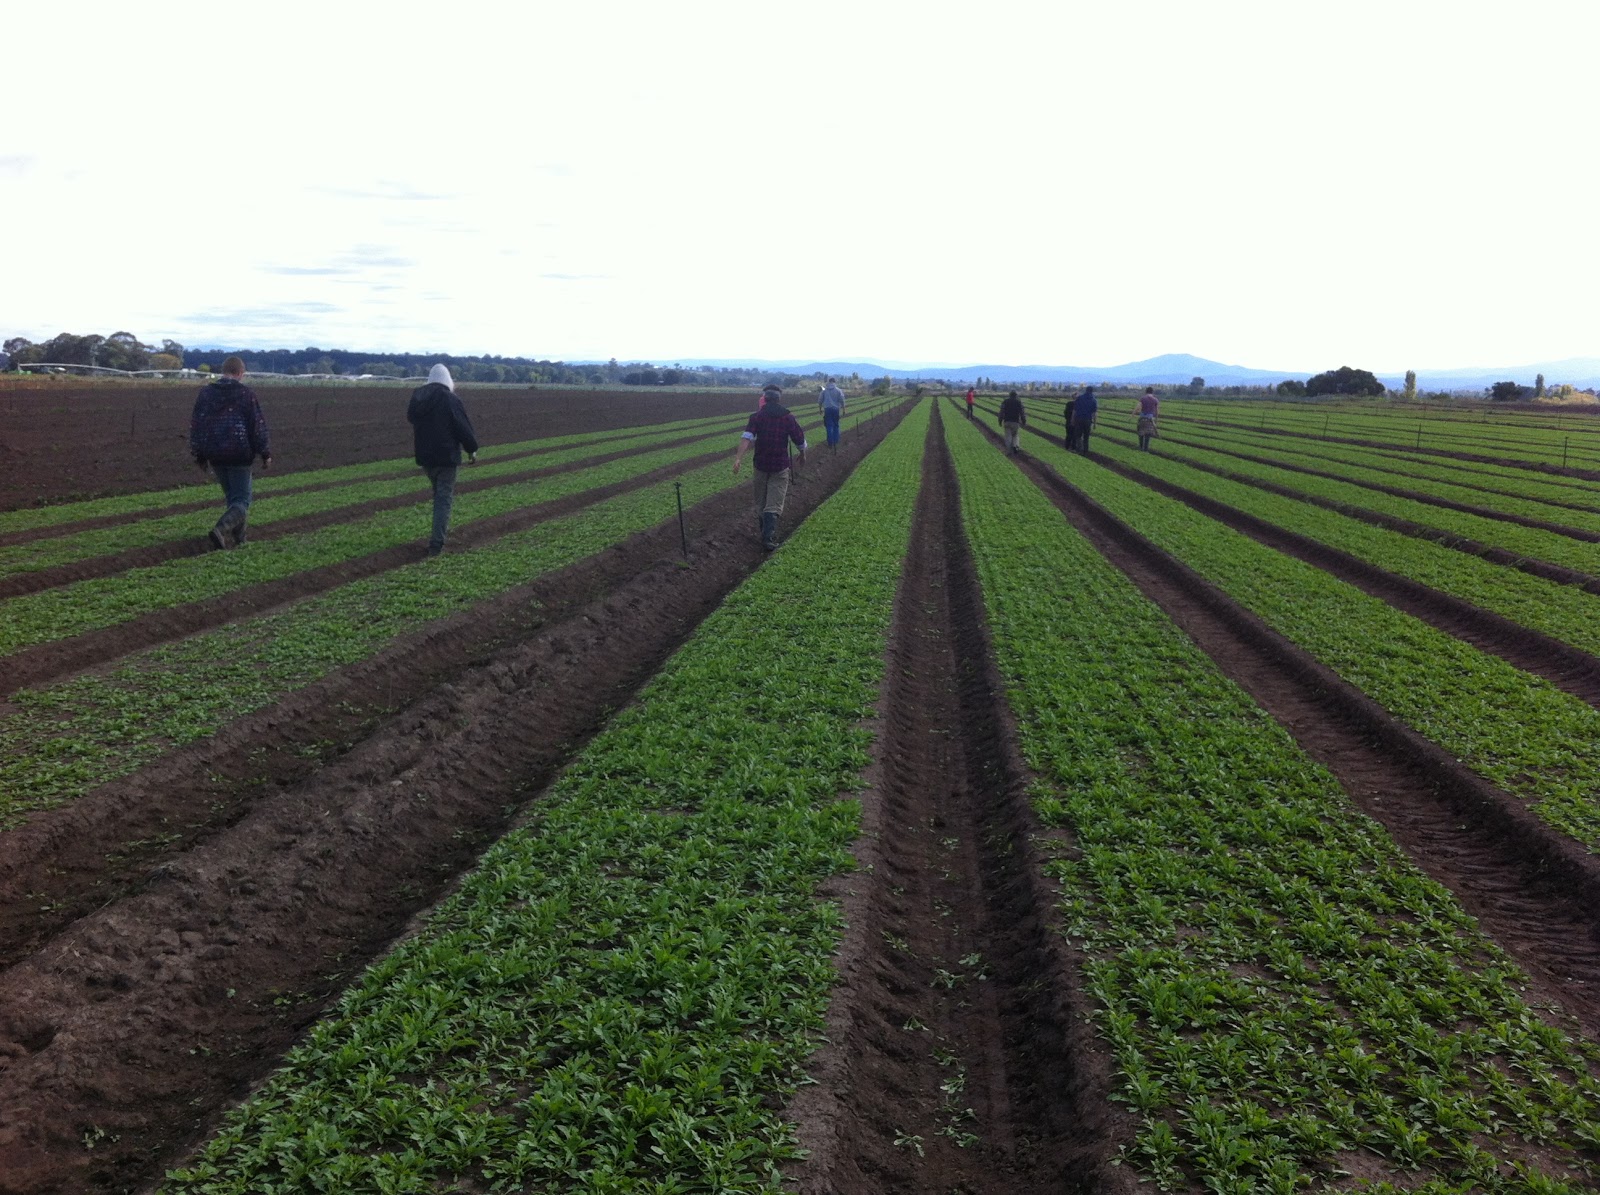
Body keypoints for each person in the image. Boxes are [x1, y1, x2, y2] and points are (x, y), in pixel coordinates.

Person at [190, 355, 271, 549]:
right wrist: (265, 452)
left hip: (214, 453)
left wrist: (199, 454)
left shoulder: (206, 393)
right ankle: (221, 529)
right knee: (242, 500)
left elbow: (197, 425)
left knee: (233, 499)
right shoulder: (246, 394)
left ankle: (240, 539)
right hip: (239, 453)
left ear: (223, 371)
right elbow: (256, 426)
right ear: (241, 373)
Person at [407, 363, 479, 557]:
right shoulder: (450, 399)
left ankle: (436, 538)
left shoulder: (417, 397)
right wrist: (472, 450)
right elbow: (462, 427)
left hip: (425, 458)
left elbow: (411, 418)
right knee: (443, 500)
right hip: (446, 458)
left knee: (438, 495)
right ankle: (436, 545)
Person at [733, 383, 807, 551]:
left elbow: (747, 438)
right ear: (779, 399)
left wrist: (738, 459)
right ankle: (768, 537)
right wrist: (802, 455)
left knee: (761, 501)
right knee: (774, 503)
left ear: (765, 399)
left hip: (760, 464)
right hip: (780, 466)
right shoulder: (788, 417)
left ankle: (764, 533)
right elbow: (799, 439)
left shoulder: (757, 417)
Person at [818, 377, 846, 449]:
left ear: (829, 382)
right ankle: (835, 441)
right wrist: (843, 409)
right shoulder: (838, 390)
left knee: (829, 426)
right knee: (836, 425)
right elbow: (842, 400)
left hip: (827, 410)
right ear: (834, 382)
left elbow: (820, 400)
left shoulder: (824, 391)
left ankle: (830, 442)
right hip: (836, 409)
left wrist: (820, 409)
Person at [1070, 385, 1098, 455]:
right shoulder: (1094, 400)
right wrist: (1094, 423)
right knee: (1086, 437)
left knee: (1078, 435)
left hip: (1079, 419)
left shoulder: (1080, 398)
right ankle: (1085, 451)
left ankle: (1079, 449)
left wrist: (1072, 419)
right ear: (1092, 391)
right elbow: (1094, 413)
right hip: (1088, 420)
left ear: (1086, 390)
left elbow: (1074, 410)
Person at [998, 390, 1026, 455]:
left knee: (1008, 436)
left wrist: (1000, 420)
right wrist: (1023, 420)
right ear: (1016, 395)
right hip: (1015, 422)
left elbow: (1001, 412)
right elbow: (1022, 413)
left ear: (1010, 395)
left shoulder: (1005, 402)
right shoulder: (1019, 402)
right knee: (1015, 435)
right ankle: (1015, 447)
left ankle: (1009, 450)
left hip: (1007, 421)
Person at [1136, 386, 1159, 451]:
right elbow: (1157, 411)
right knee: (1148, 435)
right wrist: (1156, 420)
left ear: (1146, 392)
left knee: (1141, 433)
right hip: (1150, 420)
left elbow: (1137, 407)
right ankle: (1145, 449)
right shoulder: (1155, 400)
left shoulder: (1142, 398)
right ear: (1152, 392)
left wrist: (1132, 415)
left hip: (1142, 419)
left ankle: (1140, 447)